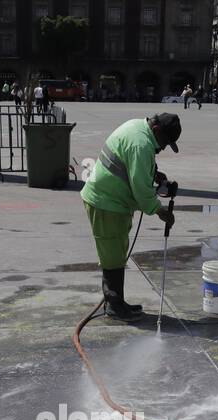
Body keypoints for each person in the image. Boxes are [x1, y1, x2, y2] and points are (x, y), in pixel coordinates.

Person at [80, 113, 182, 318]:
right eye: (164, 142)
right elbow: (141, 191)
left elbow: (130, 166)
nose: (162, 148)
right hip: (106, 202)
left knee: (116, 252)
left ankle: (117, 301)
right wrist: (160, 210)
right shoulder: (141, 145)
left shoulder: (136, 127)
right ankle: (114, 305)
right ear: (156, 131)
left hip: (111, 201)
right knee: (112, 254)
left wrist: (153, 173)